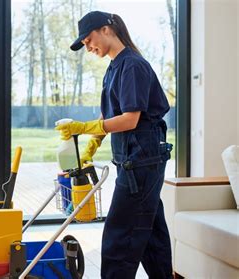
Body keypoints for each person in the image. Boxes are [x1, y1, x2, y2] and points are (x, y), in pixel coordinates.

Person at [56, 11, 173, 279]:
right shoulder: (115, 67)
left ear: (106, 29)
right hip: (136, 162)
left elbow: (130, 120)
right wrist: (91, 145)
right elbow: (109, 115)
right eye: (84, 45)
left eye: (88, 40)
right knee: (152, 236)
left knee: (118, 239)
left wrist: (84, 128)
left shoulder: (132, 65)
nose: (88, 47)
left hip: (140, 163)